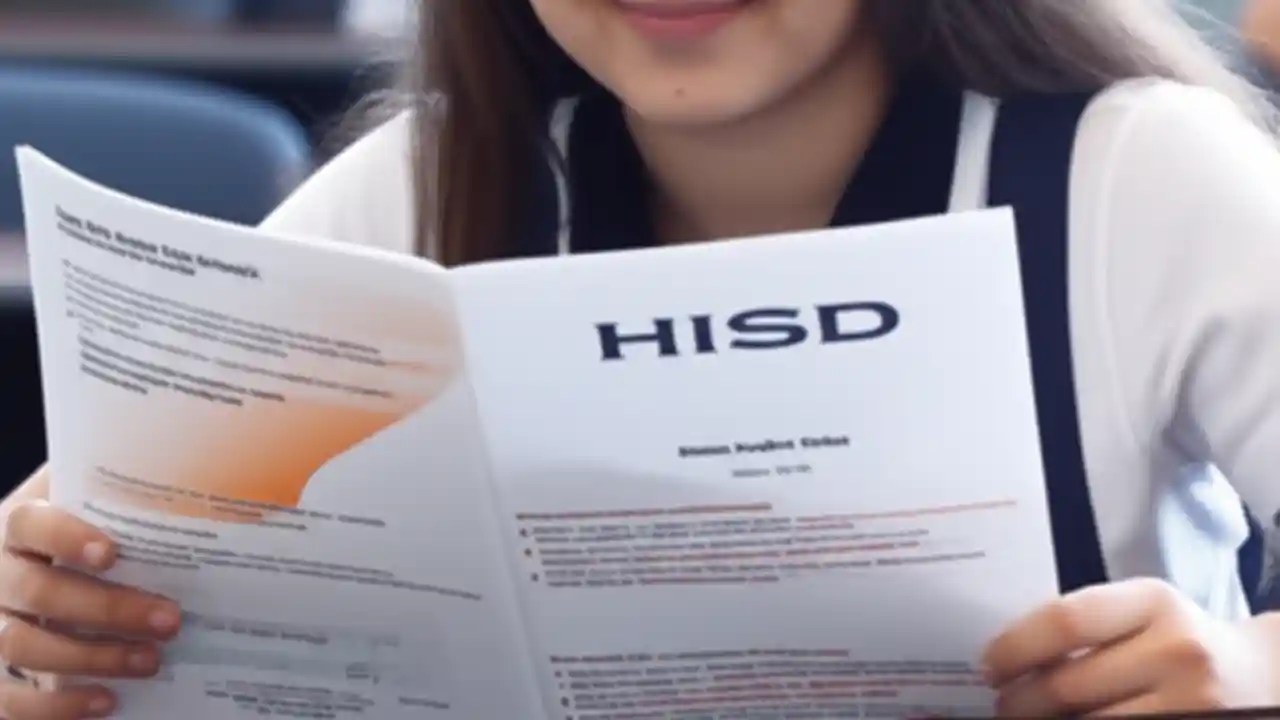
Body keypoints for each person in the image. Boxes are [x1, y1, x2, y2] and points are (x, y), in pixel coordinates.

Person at [4, 0, 1280, 717]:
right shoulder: (418, 192)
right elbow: (97, 565)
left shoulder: (1140, 175)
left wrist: (1242, 667)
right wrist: (47, 612)